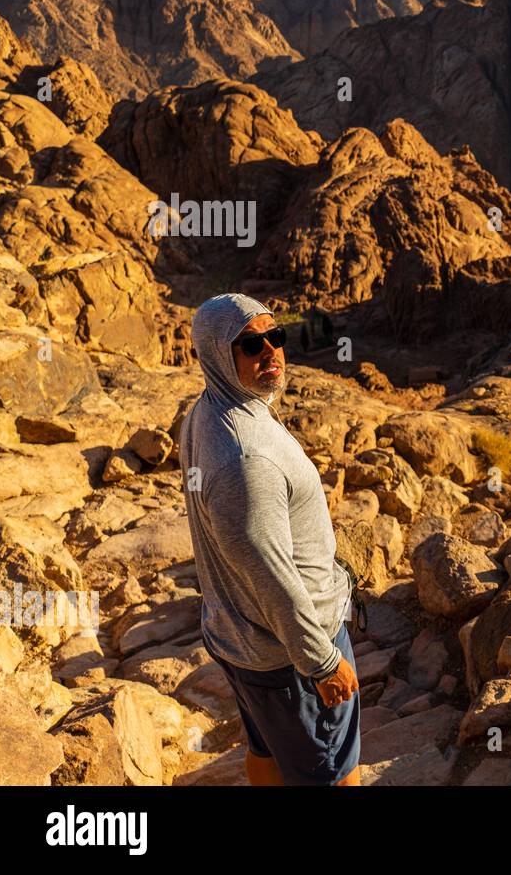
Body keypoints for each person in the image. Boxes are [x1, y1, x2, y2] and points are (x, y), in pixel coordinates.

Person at [180, 293, 362, 786]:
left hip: (243, 640)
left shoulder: (211, 410)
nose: (271, 352)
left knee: (267, 750)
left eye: (275, 337)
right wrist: (322, 662)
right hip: (289, 656)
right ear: (219, 355)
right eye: (251, 344)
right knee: (330, 772)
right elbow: (269, 574)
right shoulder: (245, 458)